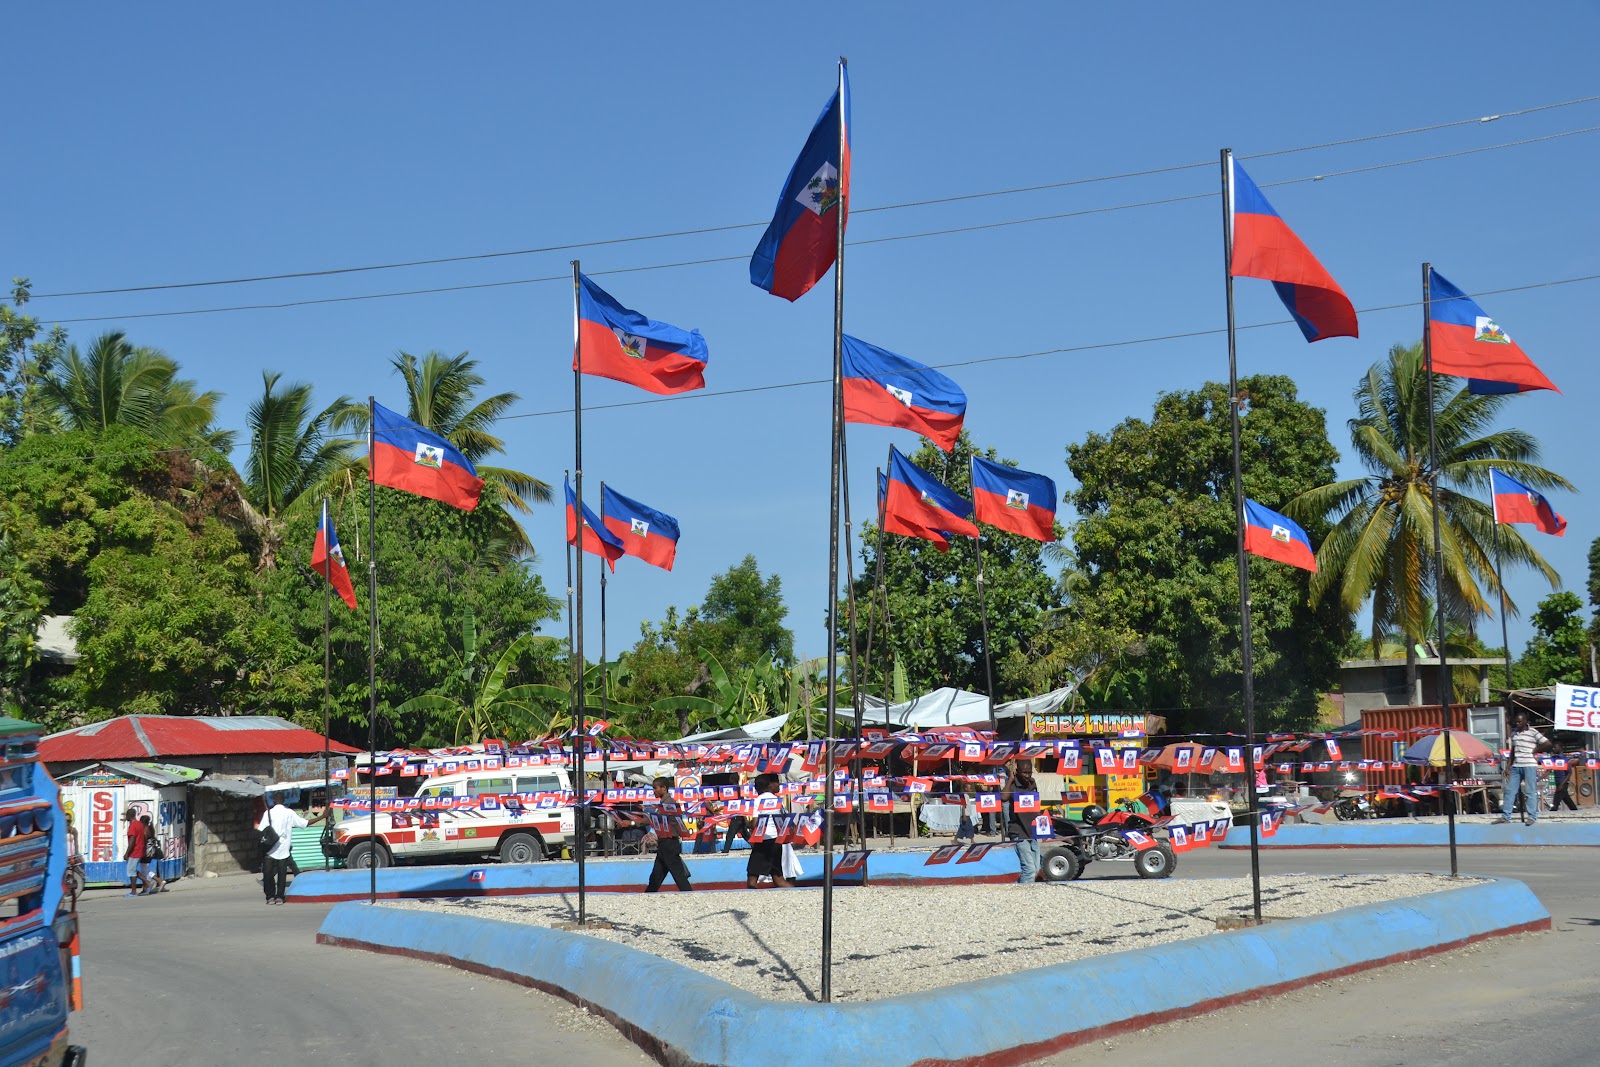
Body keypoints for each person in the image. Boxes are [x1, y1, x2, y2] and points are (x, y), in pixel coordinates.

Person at [1500, 712, 1552, 825]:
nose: (1517, 724)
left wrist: (1535, 750)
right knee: (1509, 790)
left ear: (1525, 722)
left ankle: (1532, 816)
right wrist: (1508, 767)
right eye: (1516, 722)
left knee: (1530, 791)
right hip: (1516, 765)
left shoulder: (1532, 732)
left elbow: (1547, 743)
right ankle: (1506, 816)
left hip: (1529, 765)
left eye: (1520, 722)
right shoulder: (1514, 733)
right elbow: (1513, 751)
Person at [258, 790, 307, 905]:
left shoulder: (268, 813)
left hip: (270, 849)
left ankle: (270, 897)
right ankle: (280, 897)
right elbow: (304, 823)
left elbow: (261, 830)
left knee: (268, 874)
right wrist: (323, 816)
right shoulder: (289, 812)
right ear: (284, 801)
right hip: (284, 849)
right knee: (282, 874)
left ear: (274, 801)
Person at [644, 777, 693, 893]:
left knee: (678, 875)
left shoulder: (669, 804)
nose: (653, 791)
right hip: (664, 844)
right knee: (656, 876)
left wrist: (634, 822)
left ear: (664, 788)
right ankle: (648, 895)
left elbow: (661, 820)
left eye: (655, 788)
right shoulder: (664, 804)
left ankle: (689, 895)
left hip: (669, 843)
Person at [744, 773, 792, 888]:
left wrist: (745, 821)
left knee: (752, 879)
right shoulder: (778, 801)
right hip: (776, 840)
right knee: (778, 878)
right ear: (769, 786)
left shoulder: (757, 801)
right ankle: (799, 895)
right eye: (777, 782)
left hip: (763, 840)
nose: (779, 785)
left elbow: (755, 824)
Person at [1004, 760, 1042, 885]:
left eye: (1029, 772)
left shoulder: (1032, 783)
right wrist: (1010, 779)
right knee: (1029, 869)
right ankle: (1025, 895)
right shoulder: (1013, 785)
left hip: (1032, 831)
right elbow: (1003, 797)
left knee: (1036, 869)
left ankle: (1019, 887)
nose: (1027, 775)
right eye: (1024, 772)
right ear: (1017, 772)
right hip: (1019, 831)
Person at [123, 806, 148, 898]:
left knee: (131, 871)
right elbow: (144, 837)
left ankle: (134, 891)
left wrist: (127, 853)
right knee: (132, 870)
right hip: (140, 850)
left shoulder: (133, 825)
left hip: (134, 851)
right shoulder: (140, 824)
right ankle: (147, 883)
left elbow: (132, 840)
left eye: (126, 815)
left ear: (130, 815)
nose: (126, 817)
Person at [139, 814, 167, 894]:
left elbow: (144, 841)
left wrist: (142, 851)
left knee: (144, 870)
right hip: (150, 851)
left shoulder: (145, 830)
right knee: (145, 870)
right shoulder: (150, 828)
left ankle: (155, 882)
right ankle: (153, 884)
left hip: (146, 851)